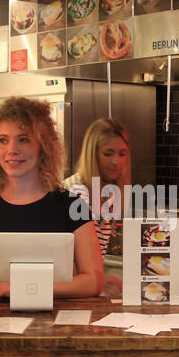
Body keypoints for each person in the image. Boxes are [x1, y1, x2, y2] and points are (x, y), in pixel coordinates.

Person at [0, 97, 102, 301]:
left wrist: (24, 288)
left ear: (44, 146)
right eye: (3, 140)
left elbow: (93, 282)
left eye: (23, 139)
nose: (12, 149)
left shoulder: (71, 205)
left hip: (55, 324)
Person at [63, 118, 130, 297]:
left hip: (85, 294)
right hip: (65, 295)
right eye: (108, 154)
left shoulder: (109, 194)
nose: (116, 161)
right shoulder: (74, 192)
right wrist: (100, 280)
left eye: (122, 154)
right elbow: (62, 260)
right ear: (92, 154)